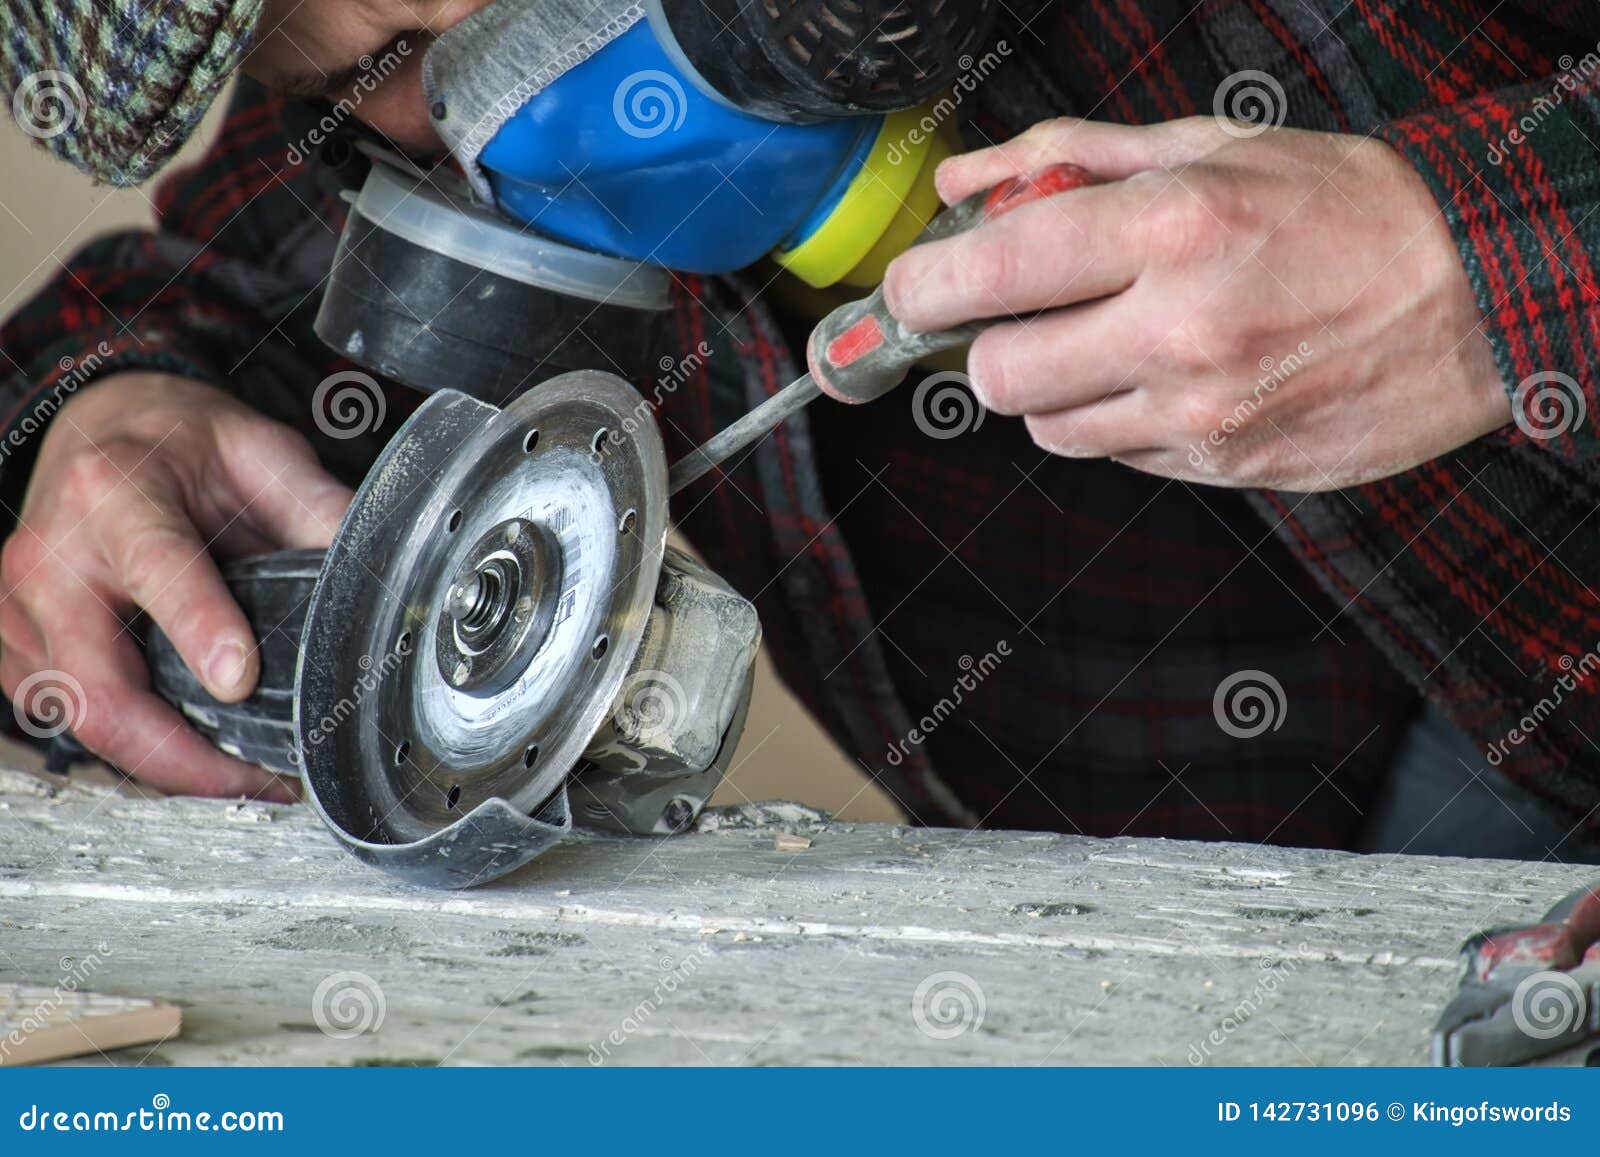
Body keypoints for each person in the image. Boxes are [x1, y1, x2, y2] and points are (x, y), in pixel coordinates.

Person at [1, 0, 1596, 860]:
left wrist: (1471, 264)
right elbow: (187, 302)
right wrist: (102, 429)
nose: (546, 47)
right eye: (414, 55)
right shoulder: (447, 150)